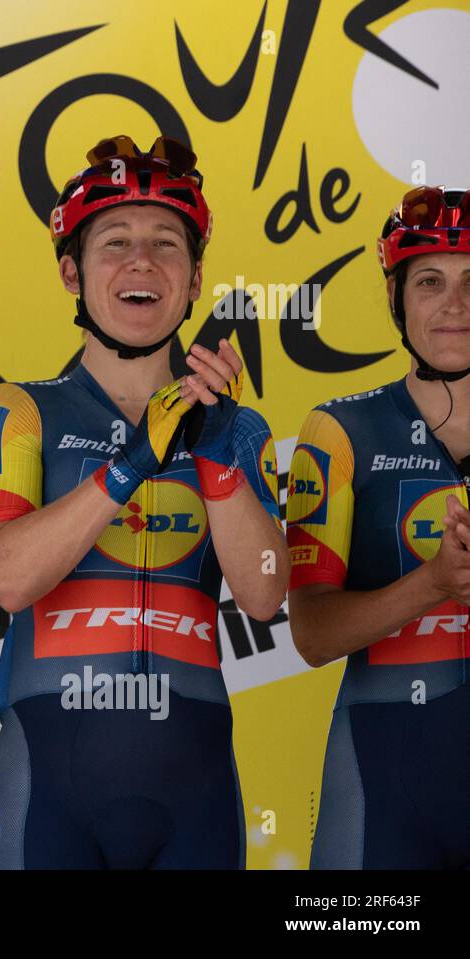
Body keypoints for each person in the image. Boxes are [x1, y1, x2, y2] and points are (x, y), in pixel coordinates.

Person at [0, 134, 288, 869]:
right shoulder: (21, 409)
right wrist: (134, 460)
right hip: (53, 781)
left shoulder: (237, 425)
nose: (141, 262)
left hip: (196, 787)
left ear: (196, 276)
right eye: (114, 241)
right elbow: (11, 576)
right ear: (71, 272)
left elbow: (266, 593)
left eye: (166, 244)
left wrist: (213, 456)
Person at [287, 184, 470, 869]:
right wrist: (433, 583)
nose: (454, 302)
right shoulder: (340, 430)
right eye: (429, 280)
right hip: (383, 785)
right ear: (397, 299)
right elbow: (310, 634)